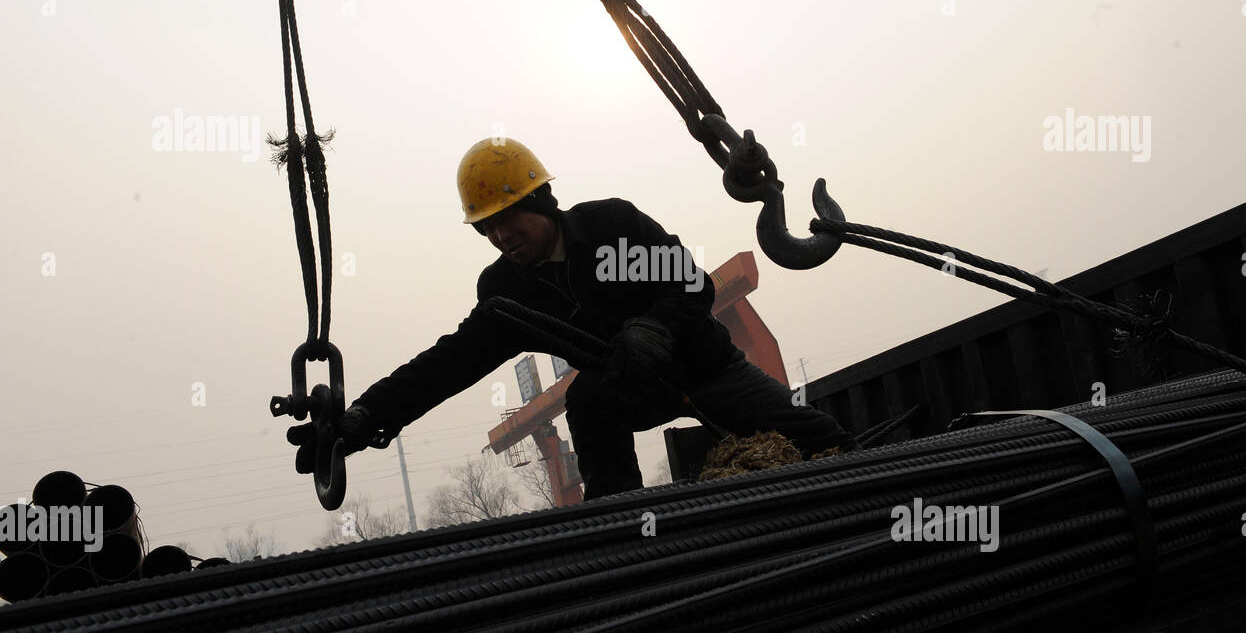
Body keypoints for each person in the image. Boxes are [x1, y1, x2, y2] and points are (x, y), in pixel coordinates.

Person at [288, 137, 855, 501]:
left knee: (826, 444)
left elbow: (692, 285)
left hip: (706, 369)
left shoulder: (613, 229)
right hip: (627, 392)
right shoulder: (509, 292)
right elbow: (449, 364)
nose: (500, 236)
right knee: (589, 398)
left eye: (509, 220)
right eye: (487, 228)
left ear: (541, 204)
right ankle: (617, 529)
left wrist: (655, 327)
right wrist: (365, 417)